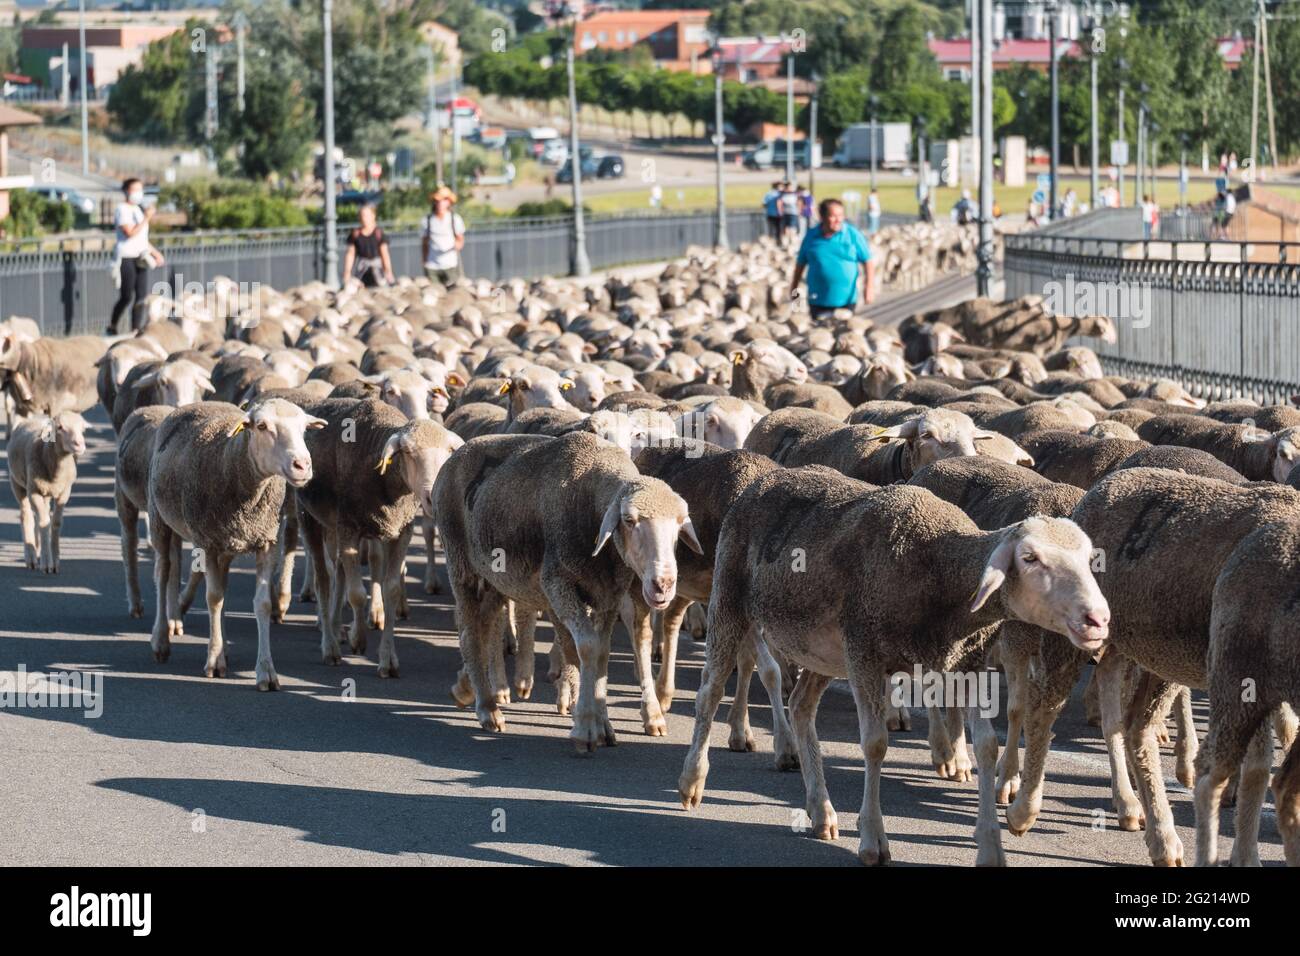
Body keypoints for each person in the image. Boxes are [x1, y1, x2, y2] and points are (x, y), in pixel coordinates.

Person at [789, 198, 875, 319]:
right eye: (833, 216)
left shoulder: (852, 235)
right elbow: (800, 264)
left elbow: (868, 261)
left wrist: (869, 288)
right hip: (818, 300)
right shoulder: (811, 237)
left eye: (840, 215)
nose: (838, 220)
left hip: (846, 300)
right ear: (822, 217)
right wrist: (794, 292)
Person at [109, 177, 164, 334]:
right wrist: (146, 218)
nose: (138, 193)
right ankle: (113, 325)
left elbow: (142, 239)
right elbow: (130, 233)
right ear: (127, 191)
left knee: (141, 295)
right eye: (135, 189)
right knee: (127, 295)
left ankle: (136, 329)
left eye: (140, 189)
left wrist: (155, 253)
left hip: (141, 256)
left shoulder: (139, 209)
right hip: (126, 256)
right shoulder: (122, 209)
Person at [421, 185, 466, 286]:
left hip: (450, 264)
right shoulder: (427, 220)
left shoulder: (455, 219)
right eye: (438, 200)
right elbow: (424, 243)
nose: (440, 203)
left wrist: (456, 245)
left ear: (449, 202)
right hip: (432, 265)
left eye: (444, 200)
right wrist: (424, 261)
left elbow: (460, 239)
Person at [342, 204, 394, 288]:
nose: (363, 218)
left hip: (377, 271)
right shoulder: (355, 235)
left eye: (366, 215)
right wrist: (347, 273)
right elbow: (350, 255)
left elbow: (385, 254)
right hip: (362, 270)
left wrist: (388, 271)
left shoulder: (379, 234)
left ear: (373, 216)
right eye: (361, 215)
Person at [779, 182, 800, 246]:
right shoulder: (783, 194)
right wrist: (780, 211)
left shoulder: (795, 194)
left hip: (793, 213)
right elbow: (780, 203)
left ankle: (792, 242)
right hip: (786, 213)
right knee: (786, 228)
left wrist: (799, 211)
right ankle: (787, 242)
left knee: (792, 228)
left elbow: (799, 202)